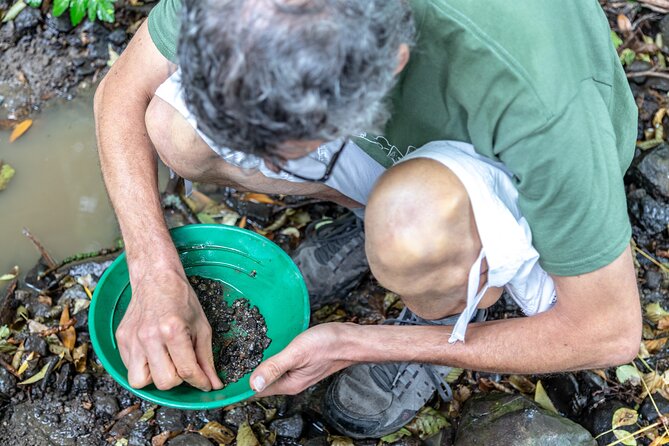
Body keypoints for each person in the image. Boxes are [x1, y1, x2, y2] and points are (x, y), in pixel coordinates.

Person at [93, 0, 642, 438]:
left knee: (414, 229)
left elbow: (608, 332)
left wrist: (356, 342)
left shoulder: (537, 102)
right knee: (173, 129)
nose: (270, 170)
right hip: (387, 127)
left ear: (393, 61)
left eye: (284, 150)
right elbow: (123, 90)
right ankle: (377, 222)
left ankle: (438, 290)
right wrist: (153, 271)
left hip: (508, 169)